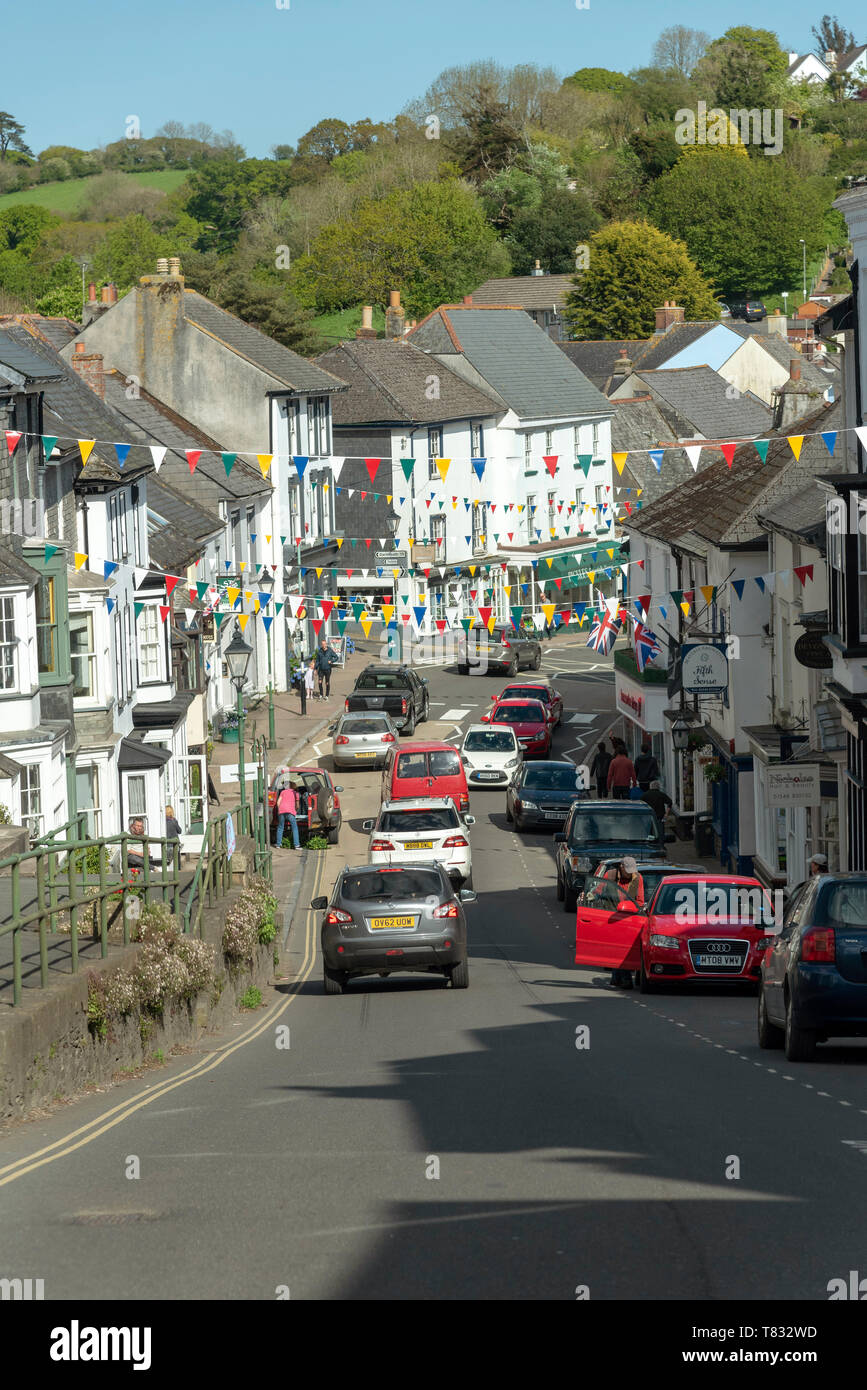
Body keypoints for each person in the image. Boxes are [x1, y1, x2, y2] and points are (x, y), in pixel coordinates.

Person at [612, 857, 644, 989]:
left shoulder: (637, 878)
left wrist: (633, 910)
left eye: (632, 870)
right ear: (621, 867)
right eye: (628, 871)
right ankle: (619, 978)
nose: (630, 874)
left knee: (624, 950)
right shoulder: (610, 876)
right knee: (618, 949)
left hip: (630, 917)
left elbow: (640, 901)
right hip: (612, 917)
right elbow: (599, 892)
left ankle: (621, 978)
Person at [275, 782, 300, 849]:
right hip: (290, 812)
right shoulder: (295, 793)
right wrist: (295, 810)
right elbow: (297, 805)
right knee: (294, 828)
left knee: (280, 827)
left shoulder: (283, 792)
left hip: (281, 811)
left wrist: (279, 810)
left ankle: (278, 844)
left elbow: (278, 802)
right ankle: (296, 845)